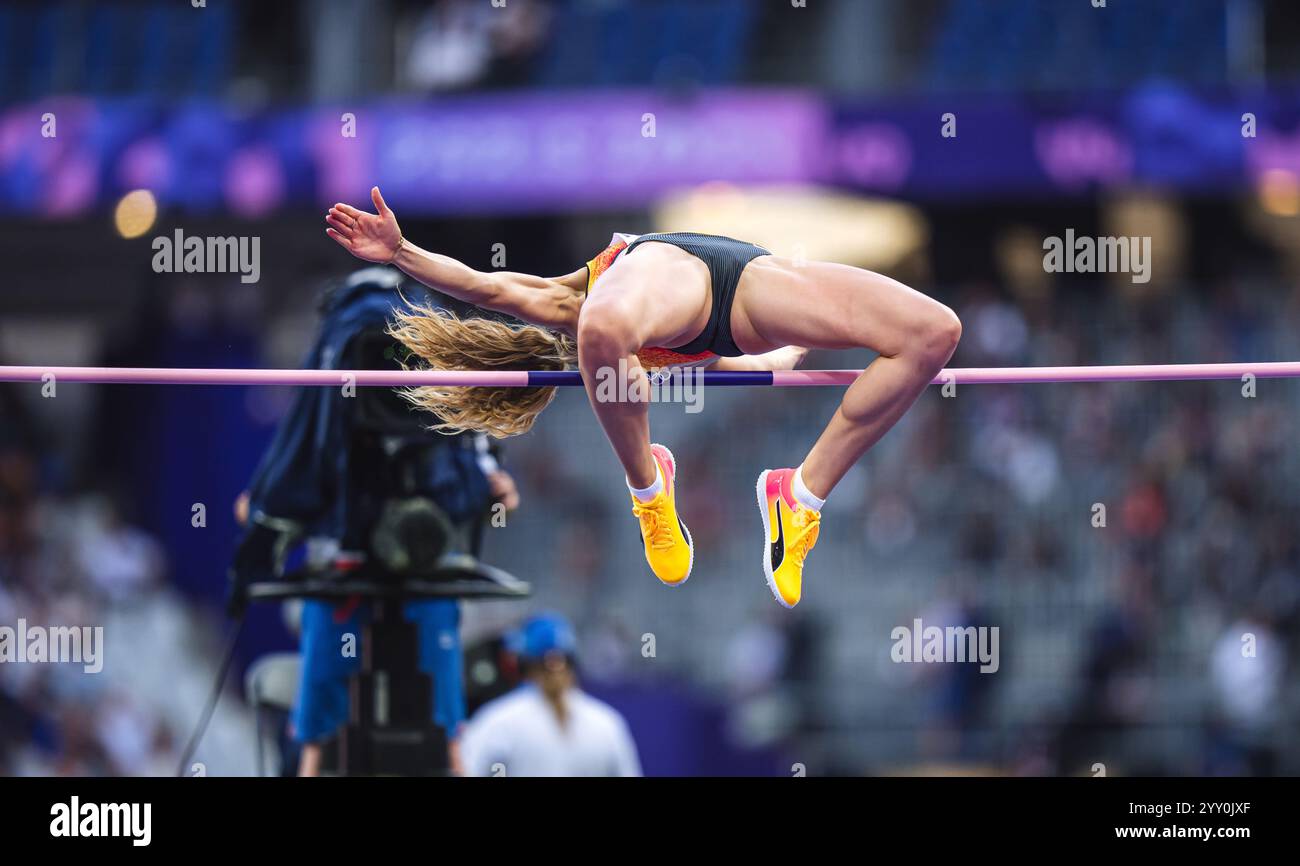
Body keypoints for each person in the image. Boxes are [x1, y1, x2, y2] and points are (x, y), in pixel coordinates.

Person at [325, 189, 961, 608]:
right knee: (606, 333)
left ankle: (799, 496)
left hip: (744, 279)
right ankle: (651, 491)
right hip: (723, 306)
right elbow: (742, 355)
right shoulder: (605, 330)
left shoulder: (571, 302)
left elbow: (484, 286)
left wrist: (401, 249)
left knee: (934, 332)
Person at [232, 267, 519, 775]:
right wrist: (266, 510)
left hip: (422, 569)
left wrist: (488, 477)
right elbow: (299, 453)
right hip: (346, 569)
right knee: (328, 672)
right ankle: (318, 761)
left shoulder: (437, 377)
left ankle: (446, 758)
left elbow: (472, 446)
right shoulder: (335, 368)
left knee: (436, 667)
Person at [459, 613, 641, 777]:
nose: (555, 671)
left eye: (560, 662)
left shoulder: (605, 723)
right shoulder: (501, 719)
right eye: (547, 664)